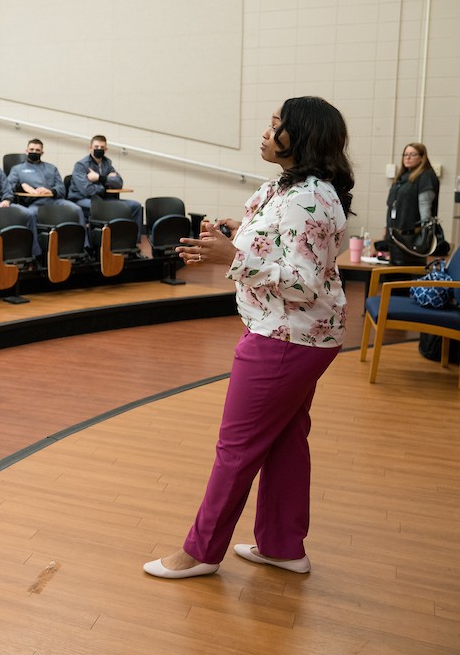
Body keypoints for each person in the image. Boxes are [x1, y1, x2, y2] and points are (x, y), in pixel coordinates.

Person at [142, 96, 354, 580]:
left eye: (276, 123)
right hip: (301, 335)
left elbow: (305, 282)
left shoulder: (307, 197)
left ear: (299, 138)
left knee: (236, 449)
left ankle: (199, 552)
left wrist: (231, 259)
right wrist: (239, 237)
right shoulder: (298, 189)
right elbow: (287, 246)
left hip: (285, 336)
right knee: (284, 440)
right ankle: (282, 546)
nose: (266, 130)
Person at [69, 134, 143, 235]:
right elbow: (87, 190)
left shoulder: (107, 163)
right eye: (96, 147)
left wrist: (99, 178)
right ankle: (105, 242)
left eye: (102, 147)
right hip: (82, 199)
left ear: (106, 149)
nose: (99, 149)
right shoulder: (81, 165)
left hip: (104, 198)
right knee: (107, 208)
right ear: (90, 148)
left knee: (136, 206)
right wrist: (106, 184)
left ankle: (132, 242)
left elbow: (119, 183)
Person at [7, 138, 85, 230]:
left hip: (54, 200)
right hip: (35, 203)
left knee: (77, 209)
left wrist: (51, 191)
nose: (34, 152)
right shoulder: (17, 169)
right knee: (30, 214)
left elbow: (61, 188)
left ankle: (84, 243)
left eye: (37, 150)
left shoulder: (52, 168)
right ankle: (34, 244)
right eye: (31, 149)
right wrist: (22, 186)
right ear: (26, 151)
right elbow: (8, 186)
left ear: (42, 152)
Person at [382, 142, 440, 266]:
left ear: (422, 157)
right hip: (395, 235)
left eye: (412, 154)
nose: (407, 158)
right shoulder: (403, 176)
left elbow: (425, 206)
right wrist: (386, 228)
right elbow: (392, 205)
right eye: (405, 154)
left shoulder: (426, 176)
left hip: (410, 238)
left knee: (404, 276)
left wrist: (424, 234)